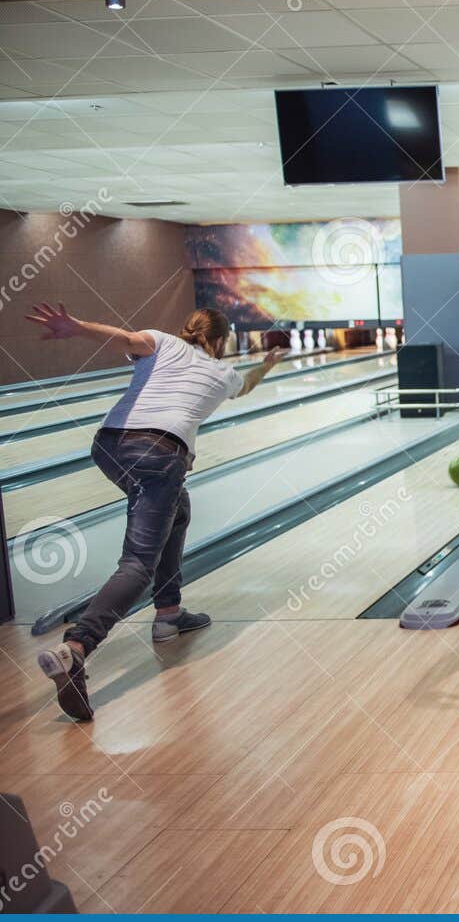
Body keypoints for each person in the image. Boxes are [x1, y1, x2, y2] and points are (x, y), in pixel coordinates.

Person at [24, 304, 286, 720]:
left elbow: (124, 339)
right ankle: (77, 646)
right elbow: (249, 384)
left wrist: (76, 327)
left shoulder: (161, 342)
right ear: (219, 342)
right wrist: (269, 363)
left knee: (176, 508)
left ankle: (168, 614)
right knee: (138, 563)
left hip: (109, 445)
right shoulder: (224, 373)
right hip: (160, 456)